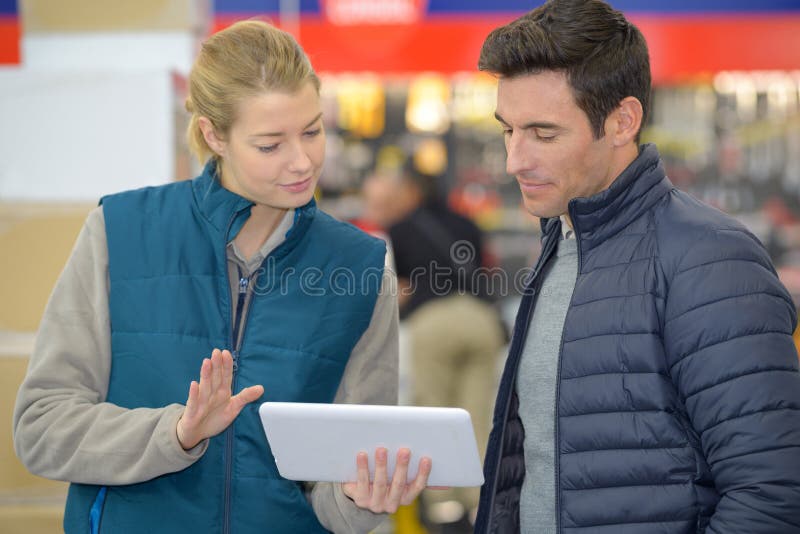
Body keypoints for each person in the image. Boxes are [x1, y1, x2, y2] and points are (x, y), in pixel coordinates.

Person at [13, 20, 431, 534]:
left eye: (312, 131)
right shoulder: (119, 231)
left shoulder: (360, 267)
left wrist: (359, 497)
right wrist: (176, 433)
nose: (302, 162)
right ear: (214, 135)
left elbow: (341, 486)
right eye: (270, 145)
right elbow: (41, 428)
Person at [473, 1, 800, 533]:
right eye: (508, 130)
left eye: (544, 134)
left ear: (622, 121)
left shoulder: (710, 260)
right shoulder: (560, 245)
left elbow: (773, 495)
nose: (515, 160)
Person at [376, 162, 506, 530]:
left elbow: (400, 288)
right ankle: (480, 503)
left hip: (434, 322)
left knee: (434, 412)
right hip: (480, 320)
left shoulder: (400, 229)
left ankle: (443, 507)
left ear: (413, 191)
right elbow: (485, 269)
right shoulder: (468, 223)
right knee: (477, 414)